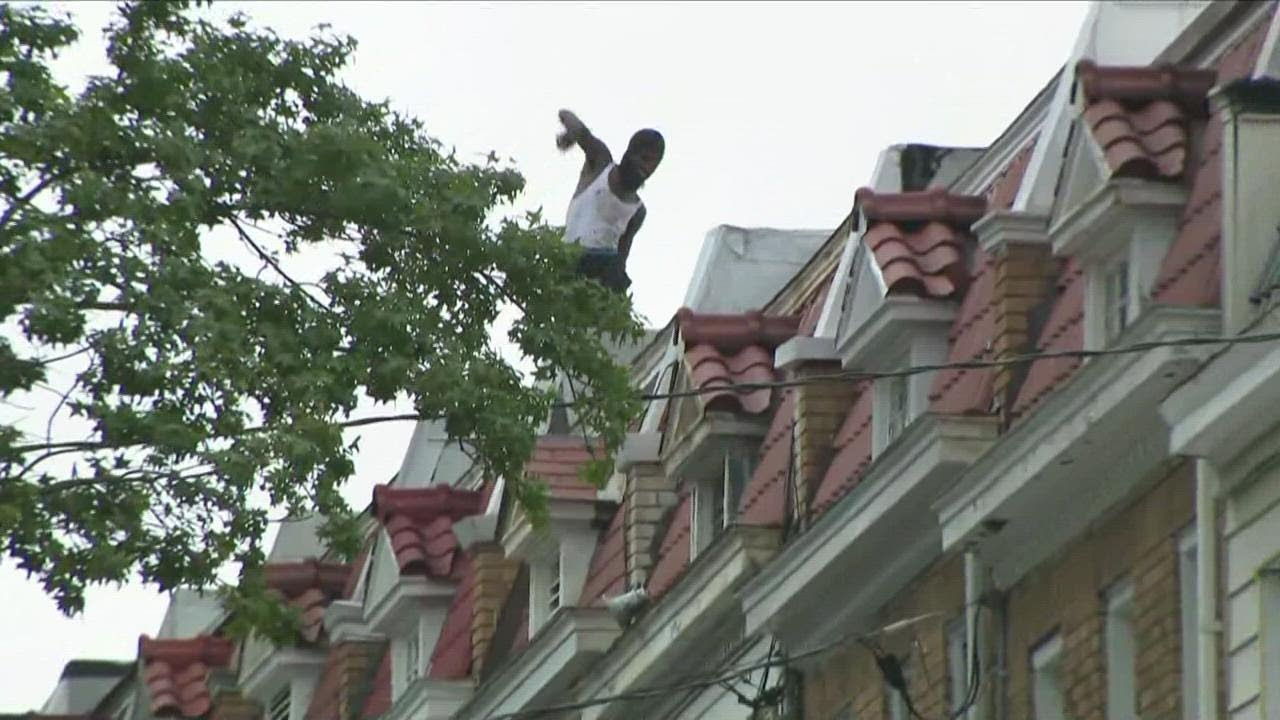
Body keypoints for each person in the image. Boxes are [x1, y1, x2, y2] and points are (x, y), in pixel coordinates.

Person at [556, 109, 664, 293]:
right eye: (644, 159)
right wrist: (573, 135)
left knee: (617, 271)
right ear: (630, 153)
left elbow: (621, 258)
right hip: (572, 257)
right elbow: (565, 115)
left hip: (599, 272)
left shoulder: (638, 211)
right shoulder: (601, 163)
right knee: (608, 263)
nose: (645, 170)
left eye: (652, 167)